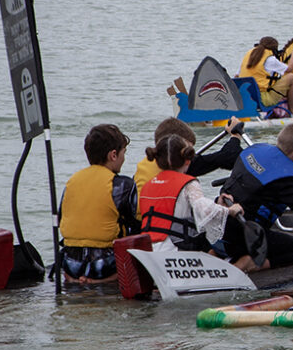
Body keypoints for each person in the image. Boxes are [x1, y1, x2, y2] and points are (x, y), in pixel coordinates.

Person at [220, 123, 293, 270]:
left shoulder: (255, 151)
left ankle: (216, 252)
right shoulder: (287, 180)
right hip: (245, 235)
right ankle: (247, 262)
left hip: (220, 225)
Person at [137, 134, 248, 263]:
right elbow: (204, 210)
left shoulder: (148, 185)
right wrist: (230, 210)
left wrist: (218, 204)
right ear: (188, 160)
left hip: (149, 252)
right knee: (232, 244)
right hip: (176, 252)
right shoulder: (188, 183)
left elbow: (175, 209)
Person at [58, 123, 139, 281]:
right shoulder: (122, 185)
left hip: (71, 266)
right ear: (113, 155)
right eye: (124, 153)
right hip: (104, 267)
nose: (124, 158)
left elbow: (60, 218)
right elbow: (135, 225)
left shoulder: (72, 182)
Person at [133, 116, 243, 187]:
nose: (189, 156)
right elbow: (228, 157)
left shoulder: (145, 165)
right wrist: (235, 136)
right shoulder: (177, 163)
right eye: (188, 150)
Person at [238, 36, 293, 110]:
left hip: (245, 98)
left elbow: (237, 75)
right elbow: (289, 69)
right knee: (292, 77)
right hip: (262, 99)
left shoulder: (248, 55)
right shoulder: (270, 59)